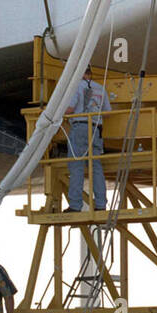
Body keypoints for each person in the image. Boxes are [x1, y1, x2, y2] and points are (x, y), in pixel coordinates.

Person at [64, 65, 111, 212]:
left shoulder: (76, 86)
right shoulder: (100, 88)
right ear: (90, 73)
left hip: (80, 127)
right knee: (96, 166)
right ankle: (101, 205)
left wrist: (54, 113)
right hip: (96, 129)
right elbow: (107, 112)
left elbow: (70, 109)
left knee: (76, 166)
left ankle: (75, 205)